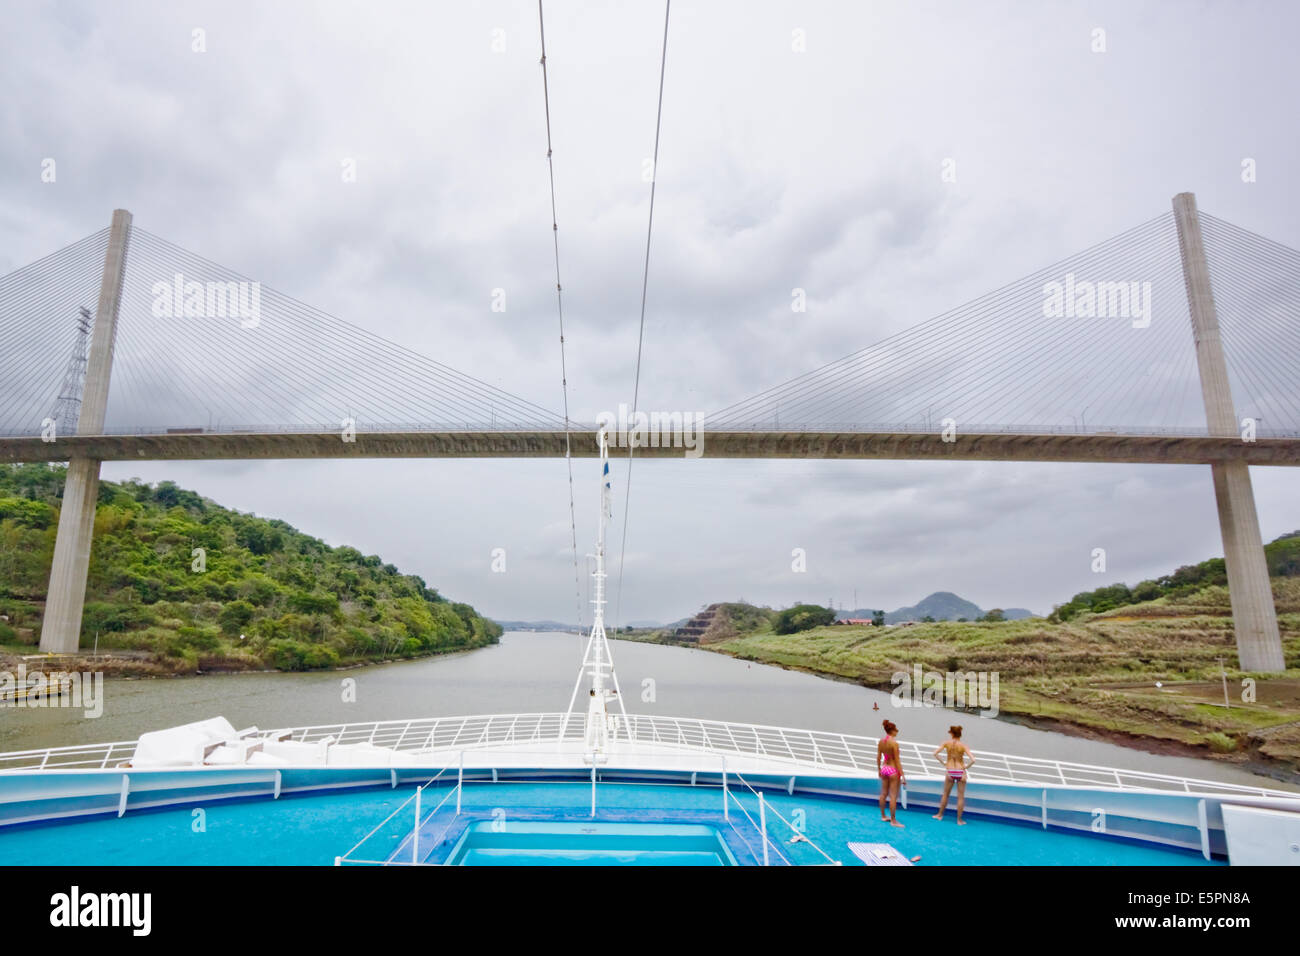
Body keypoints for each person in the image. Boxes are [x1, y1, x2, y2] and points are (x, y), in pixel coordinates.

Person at [932, 725, 975, 824]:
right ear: (960, 734)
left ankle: (939, 815)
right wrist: (965, 767)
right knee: (960, 797)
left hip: (950, 770)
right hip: (961, 771)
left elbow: (935, 753)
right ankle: (959, 820)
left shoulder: (946, 743)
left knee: (945, 794)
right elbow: (973, 760)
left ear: (951, 733)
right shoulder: (963, 746)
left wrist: (944, 763)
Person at [876, 719, 906, 827]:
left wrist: (879, 769)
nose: (897, 731)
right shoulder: (894, 743)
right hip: (893, 770)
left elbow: (879, 757)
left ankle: (883, 816)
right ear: (892, 731)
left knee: (883, 793)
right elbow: (897, 761)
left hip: (885, 769)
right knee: (893, 796)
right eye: (896, 729)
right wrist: (902, 775)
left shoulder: (881, 741)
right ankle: (893, 820)